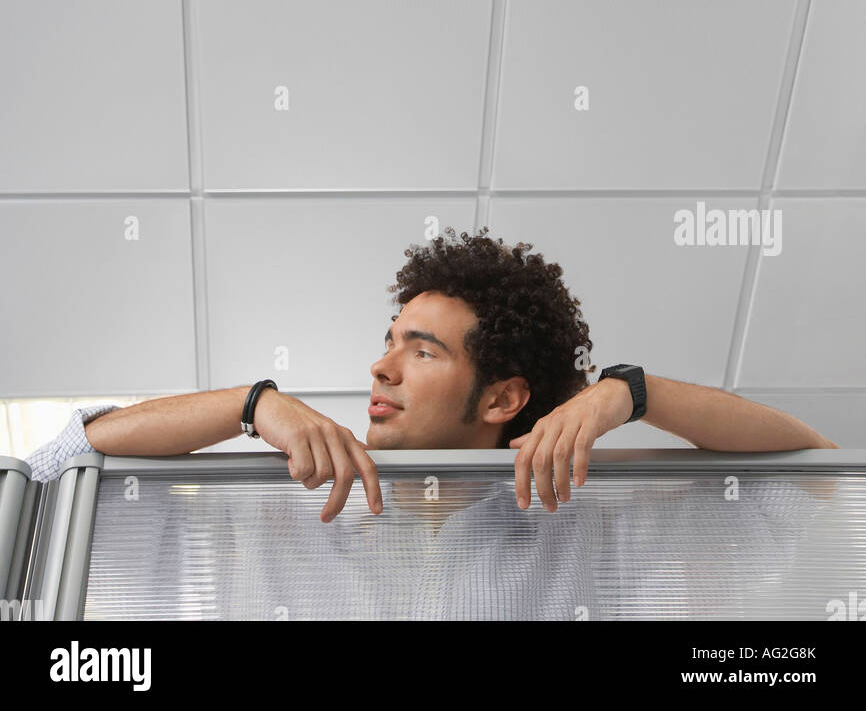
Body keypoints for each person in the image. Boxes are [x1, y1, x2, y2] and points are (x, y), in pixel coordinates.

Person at [25, 228, 838, 619]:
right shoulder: (270, 517)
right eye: (388, 344)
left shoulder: (592, 537)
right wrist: (251, 405)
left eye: (421, 352)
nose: (379, 369)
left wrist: (630, 392)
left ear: (500, 400)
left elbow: (819, 476)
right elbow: (63, 462)